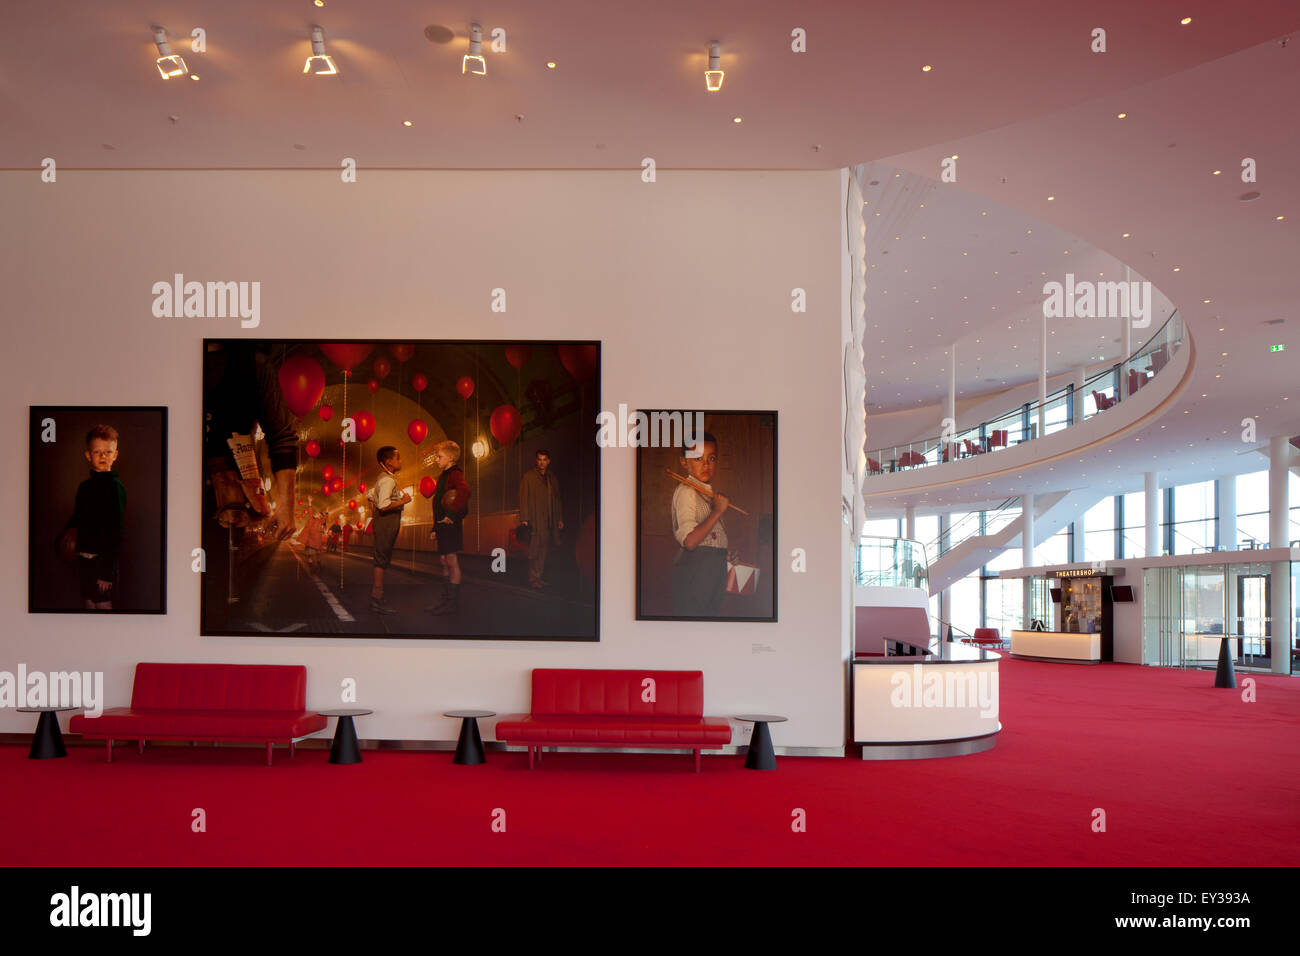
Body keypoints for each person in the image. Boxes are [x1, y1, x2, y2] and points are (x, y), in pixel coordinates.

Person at [669, 432, 735, 617]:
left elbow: (710, 538)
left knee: (708, 620)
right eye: (698, 458)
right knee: (694, 622)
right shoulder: (686, 491)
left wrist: (725, 554)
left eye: (711, 458)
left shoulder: (708, 492)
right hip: (696, 570)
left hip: (714, 567)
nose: (706, 464)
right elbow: (690, 542)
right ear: (684, 462)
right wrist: (717, 511)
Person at [70, 425, 127, 610]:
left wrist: (107, 572)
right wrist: (65, 537)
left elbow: (116, 531)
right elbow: (77, 519)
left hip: (103, 563)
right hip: (84, 560)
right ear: (88, 455)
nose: (103, 456)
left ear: (115, 455)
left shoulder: (114, 487)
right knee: (89, 603)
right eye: (97, 452)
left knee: (103, 607)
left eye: (108, 452)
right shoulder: (84, 487)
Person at [426, 440, 471, 615]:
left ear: (450, 458)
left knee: (451, 561)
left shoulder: (455, 473)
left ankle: (452, 604)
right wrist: (434, 528)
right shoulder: (443, 475)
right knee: (444, 561)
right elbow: (438, 505)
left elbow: (465, 491)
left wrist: (451, 515)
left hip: (451, 524)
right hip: (442, 525)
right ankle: (445, 600)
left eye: (440, 456)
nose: (437, 460)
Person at [366, 445, 410, 614]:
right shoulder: (388, 480)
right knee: (381, 558)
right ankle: (376, 598)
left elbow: (370, 494)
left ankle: (378, 596)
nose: (401, 461)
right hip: (387, 522)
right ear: (389, 462)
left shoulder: (384, 478)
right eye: (398, 458)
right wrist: (404, 501)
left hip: (385, 522)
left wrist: (372, 507)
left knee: (382, 557)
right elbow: (384, 505)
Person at [518, 449, 563, 589]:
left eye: (544, 459)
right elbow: (523, 498)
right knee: (535, 550)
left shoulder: (552, 478)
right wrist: (524, 518)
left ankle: (539, 576)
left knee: (544, 550)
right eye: (539, 459)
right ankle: (533, 579)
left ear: (548, 461)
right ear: (536, 461)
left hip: (549, 520)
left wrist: (559, 518)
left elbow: (557, 499)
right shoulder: (528, 477)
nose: (542, 462)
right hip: (536, 519)